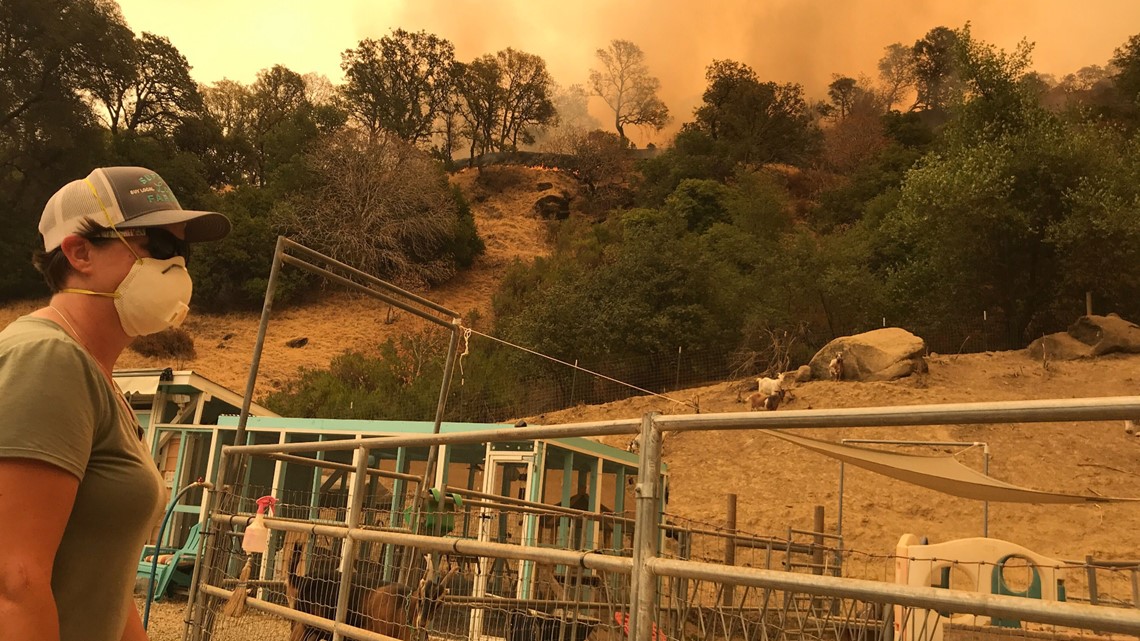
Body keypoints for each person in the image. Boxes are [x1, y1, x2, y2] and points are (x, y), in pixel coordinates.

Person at [0, 167, 230, 641]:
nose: (177, 266)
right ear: (79, 252)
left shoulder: (98, 380)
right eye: (159, 247)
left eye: (182, 252)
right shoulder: (47, 359)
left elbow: (104, 581)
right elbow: (13, 583)